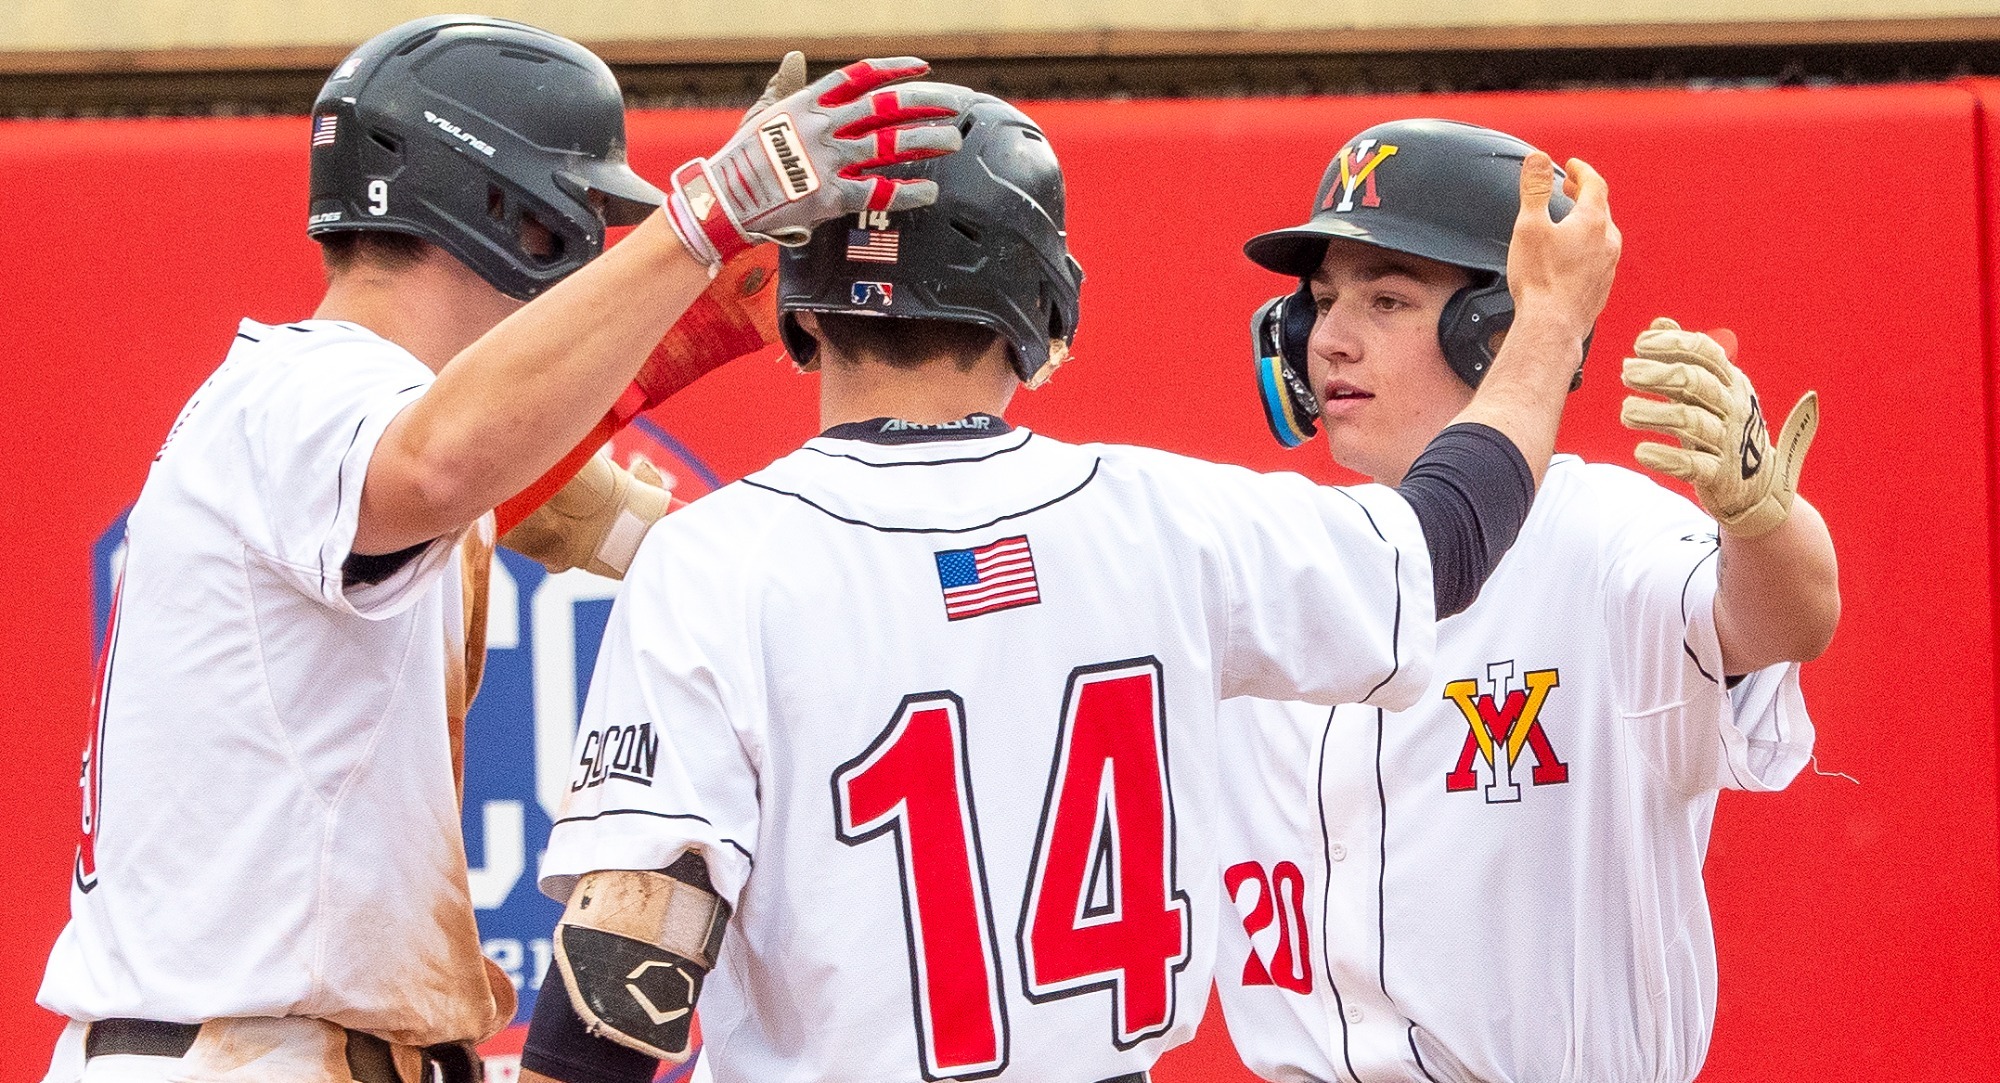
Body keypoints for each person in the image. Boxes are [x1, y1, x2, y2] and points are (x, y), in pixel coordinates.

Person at [514, 90, 1620, 1083]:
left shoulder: (723, 558)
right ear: (1040, 305)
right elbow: (1445, 540)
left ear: (801, 307)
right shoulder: (1160, 523)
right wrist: (1546, 327)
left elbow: (625, 971)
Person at [35, 16, 972, 1083]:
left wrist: (683, 334)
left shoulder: (315, 411)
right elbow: (438, 468)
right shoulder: (308, 392)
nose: (593, 242)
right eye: (580, 213)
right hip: (246, 1056)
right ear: (509, 216)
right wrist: (702, 222)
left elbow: (529, 494)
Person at [1210, 118, 1838, 1083]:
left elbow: (1786, 617)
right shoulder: (1288, 556)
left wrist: (1761, 516)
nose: (1330, 338)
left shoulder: (1599, 534)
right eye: (1323, 300)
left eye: (1385, 299)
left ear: (1492, 332)